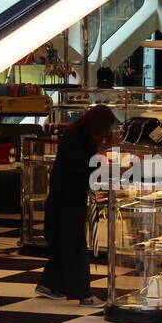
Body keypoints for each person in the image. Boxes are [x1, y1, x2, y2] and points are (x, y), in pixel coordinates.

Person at [37, 105, 117, 307]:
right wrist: (102, 159)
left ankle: (48, 284)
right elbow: (82, 165)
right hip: (67, 200)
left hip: (64, 198)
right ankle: (83, 295)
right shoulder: (77, 138)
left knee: (65, 244)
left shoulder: (78, 135)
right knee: (74, 246)